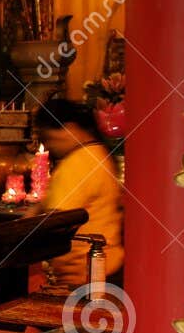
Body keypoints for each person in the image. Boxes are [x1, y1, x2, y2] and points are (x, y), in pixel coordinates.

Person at [34, 98, 125, 289]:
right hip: (109, 266)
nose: (49, 147)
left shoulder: (76, 164)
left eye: (49, 138)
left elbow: (57, 222)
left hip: (85, 274)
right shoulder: (99, 154)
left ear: (69, 128)